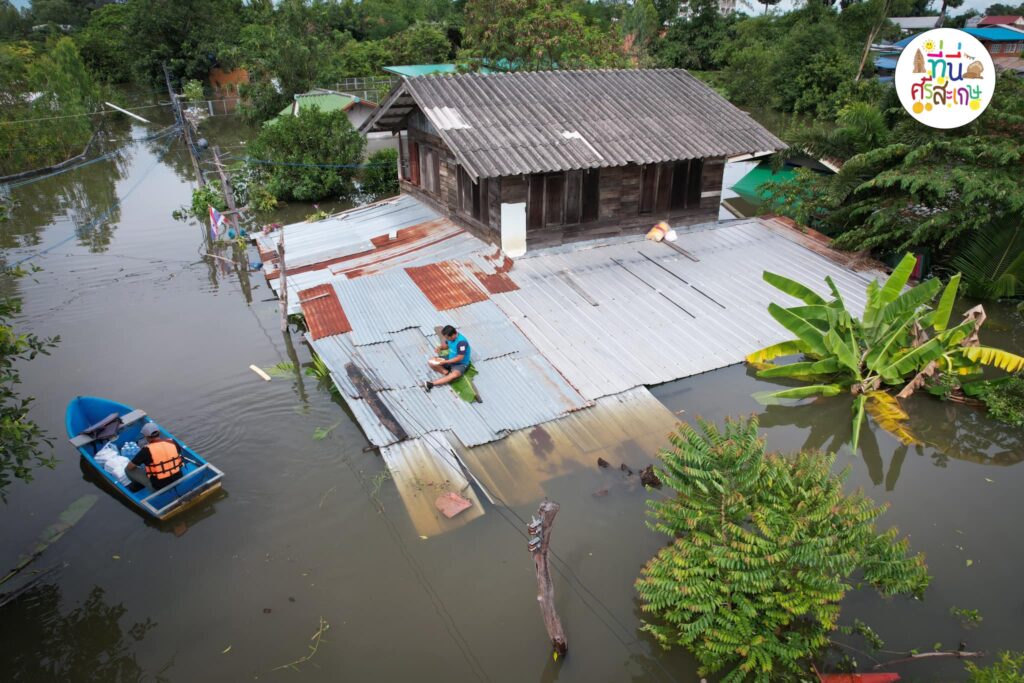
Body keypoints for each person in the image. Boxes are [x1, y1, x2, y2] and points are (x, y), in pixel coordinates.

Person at [125, 423, 184, 490]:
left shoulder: (146, 450)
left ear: (146, 437)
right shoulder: (172, 442)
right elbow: (178, 453)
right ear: (158, 432)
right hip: (178, 477)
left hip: (160, 485)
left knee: (127, 470)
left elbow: (130, 467)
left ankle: (145, 487)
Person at [425, 325, 471, 392]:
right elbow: (446, 346)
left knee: (454, 375)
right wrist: (440, 347)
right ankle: (446, 372)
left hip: (460, 364)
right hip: (450, 358)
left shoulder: (462, 343)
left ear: (453, 335)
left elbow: (460, 358)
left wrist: (446, 362)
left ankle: (431, 384)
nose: (447, 339)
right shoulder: (450, 338)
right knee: (431, 362)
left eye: (448, 338)